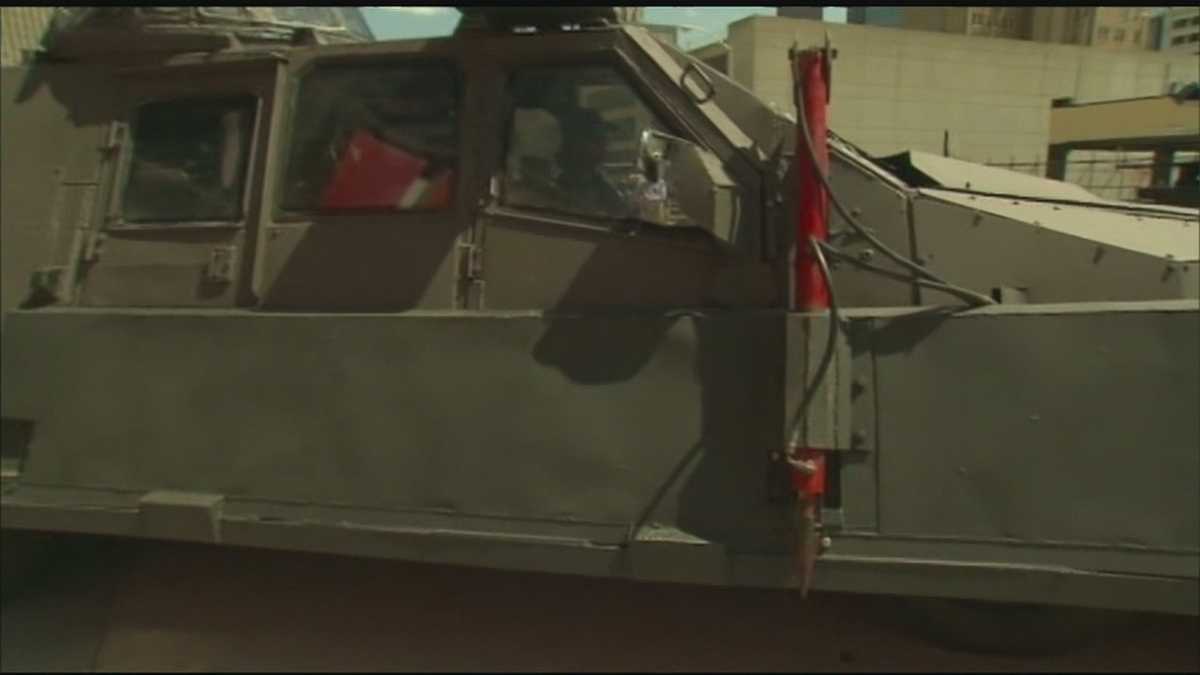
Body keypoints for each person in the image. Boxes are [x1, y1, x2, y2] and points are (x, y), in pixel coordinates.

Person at [554, 108, 628, 218]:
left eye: (604, 139)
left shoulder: (598, 184)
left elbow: (622, 214)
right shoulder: (558, 189)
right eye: (597, 139)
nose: (604, 145)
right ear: (575, 143)